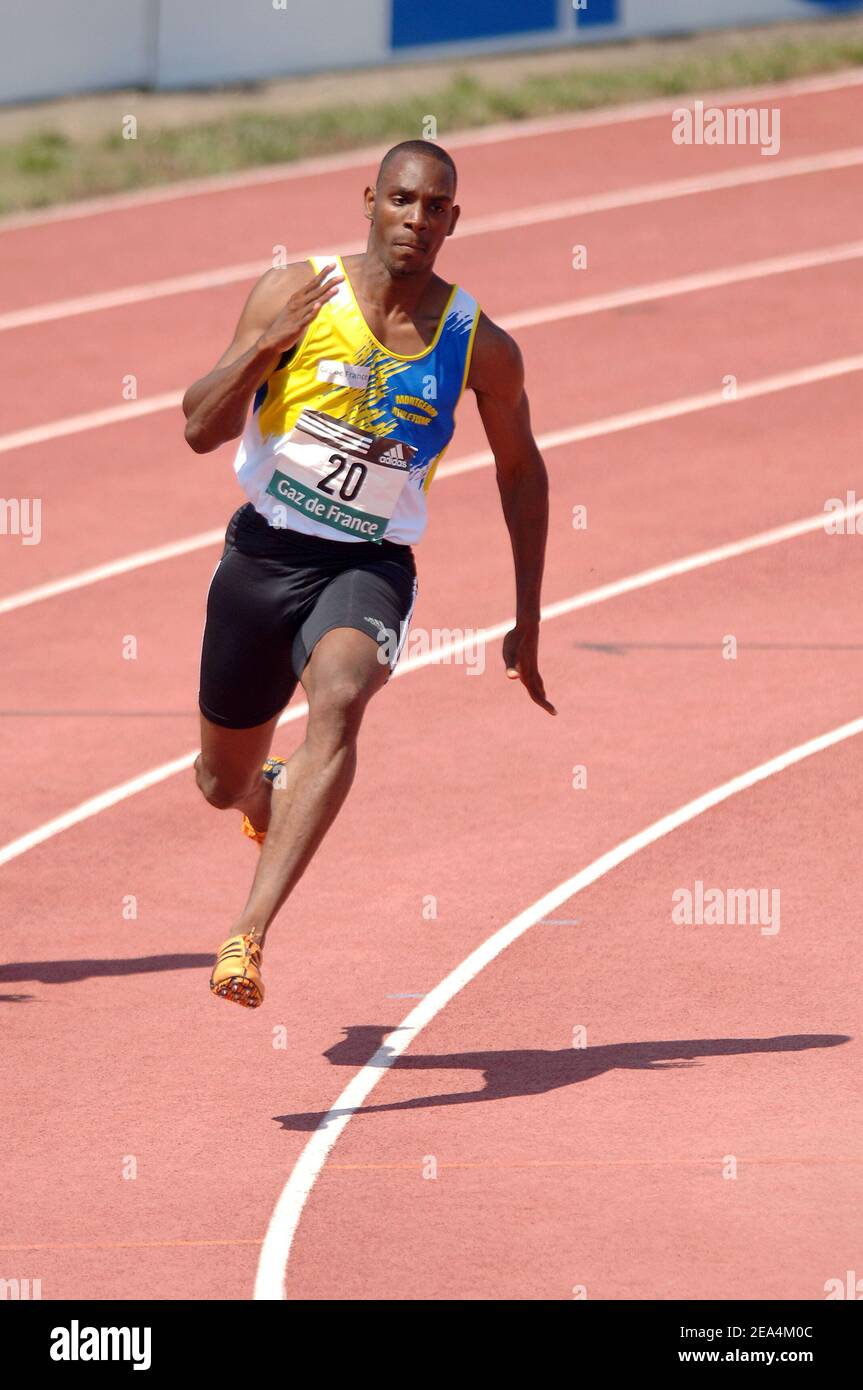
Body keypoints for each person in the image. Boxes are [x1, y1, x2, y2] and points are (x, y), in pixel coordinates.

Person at [182, 139, 556, 1008]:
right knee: (219, 783)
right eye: (400, 201)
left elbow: (521, 470)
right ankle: (262, 796)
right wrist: (264, 347)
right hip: (263, 554)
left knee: (342, 695)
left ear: (452, 222)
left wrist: (527, 615)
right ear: (368, 201)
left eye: (434, 208)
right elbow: (200, 427)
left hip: (369, 564)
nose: (415, 221)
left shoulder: (477, 344)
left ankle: (248, 935)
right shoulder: (294, 294)